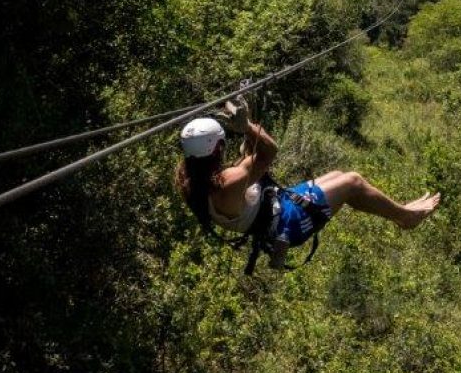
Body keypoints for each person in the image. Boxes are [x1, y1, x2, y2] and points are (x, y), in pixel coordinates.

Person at [174, 96, 440, 264]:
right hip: (285, 219)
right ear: (217, 148)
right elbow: (268, 151)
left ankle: (401, 213)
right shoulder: (229, 182)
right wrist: (246, 127)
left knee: (338, 176)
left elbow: (249, 159)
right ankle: (405, 217)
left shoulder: (189, 179)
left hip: (270, 209)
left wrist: (245, 123)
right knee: (353, 183)